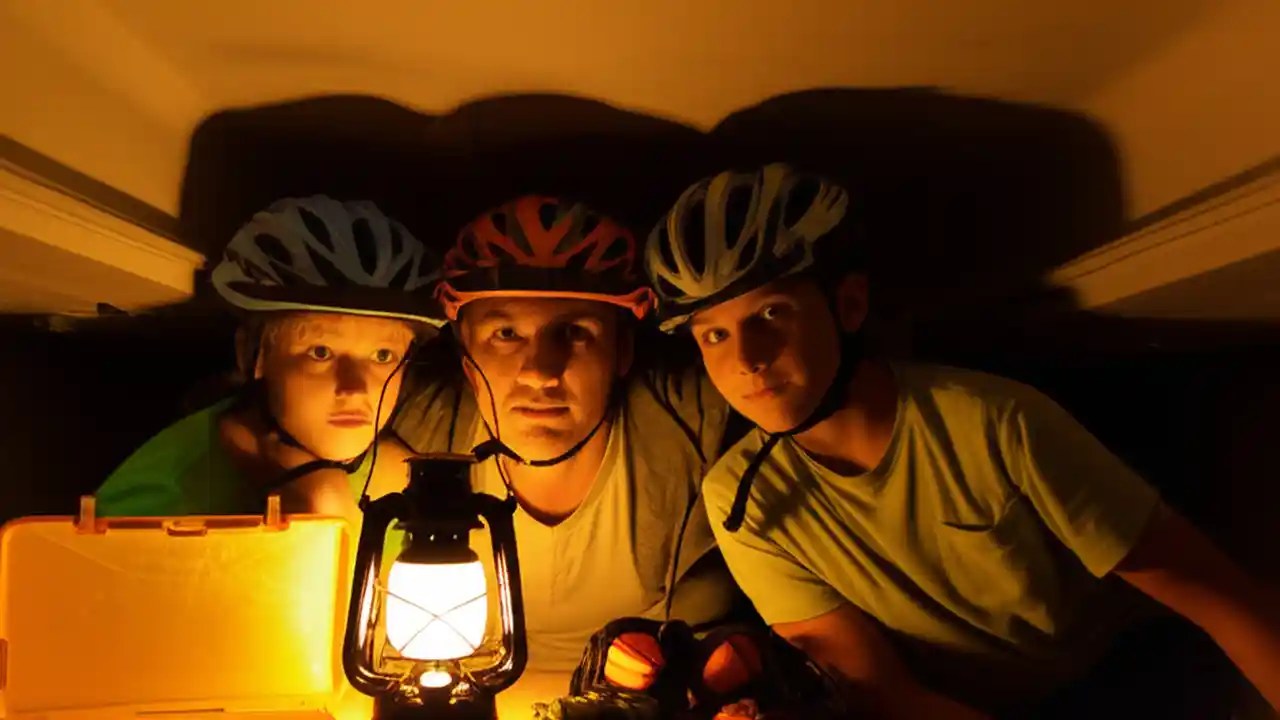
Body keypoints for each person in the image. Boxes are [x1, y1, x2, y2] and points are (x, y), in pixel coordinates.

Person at [643, 162, 1280, 717]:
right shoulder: (740, 497)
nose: (747, 359)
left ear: (851, 306)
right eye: (714, 335)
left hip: (1130, 674)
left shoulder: (996, 423)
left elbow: (1219, 597)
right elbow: (883, 693)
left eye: (771, 314)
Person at [390, 194, 744, 676]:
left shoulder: (699, 421)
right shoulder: (414, 426)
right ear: (467, 359)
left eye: (575, 333)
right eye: (506, 335)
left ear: (621, 352)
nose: (540, 372)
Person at [95, 196, 443, 520]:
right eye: (320, 352)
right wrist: (320, 500)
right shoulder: (154, 501)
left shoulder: (404, 477)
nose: (354, 388)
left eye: (383, 355)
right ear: (256, 357)